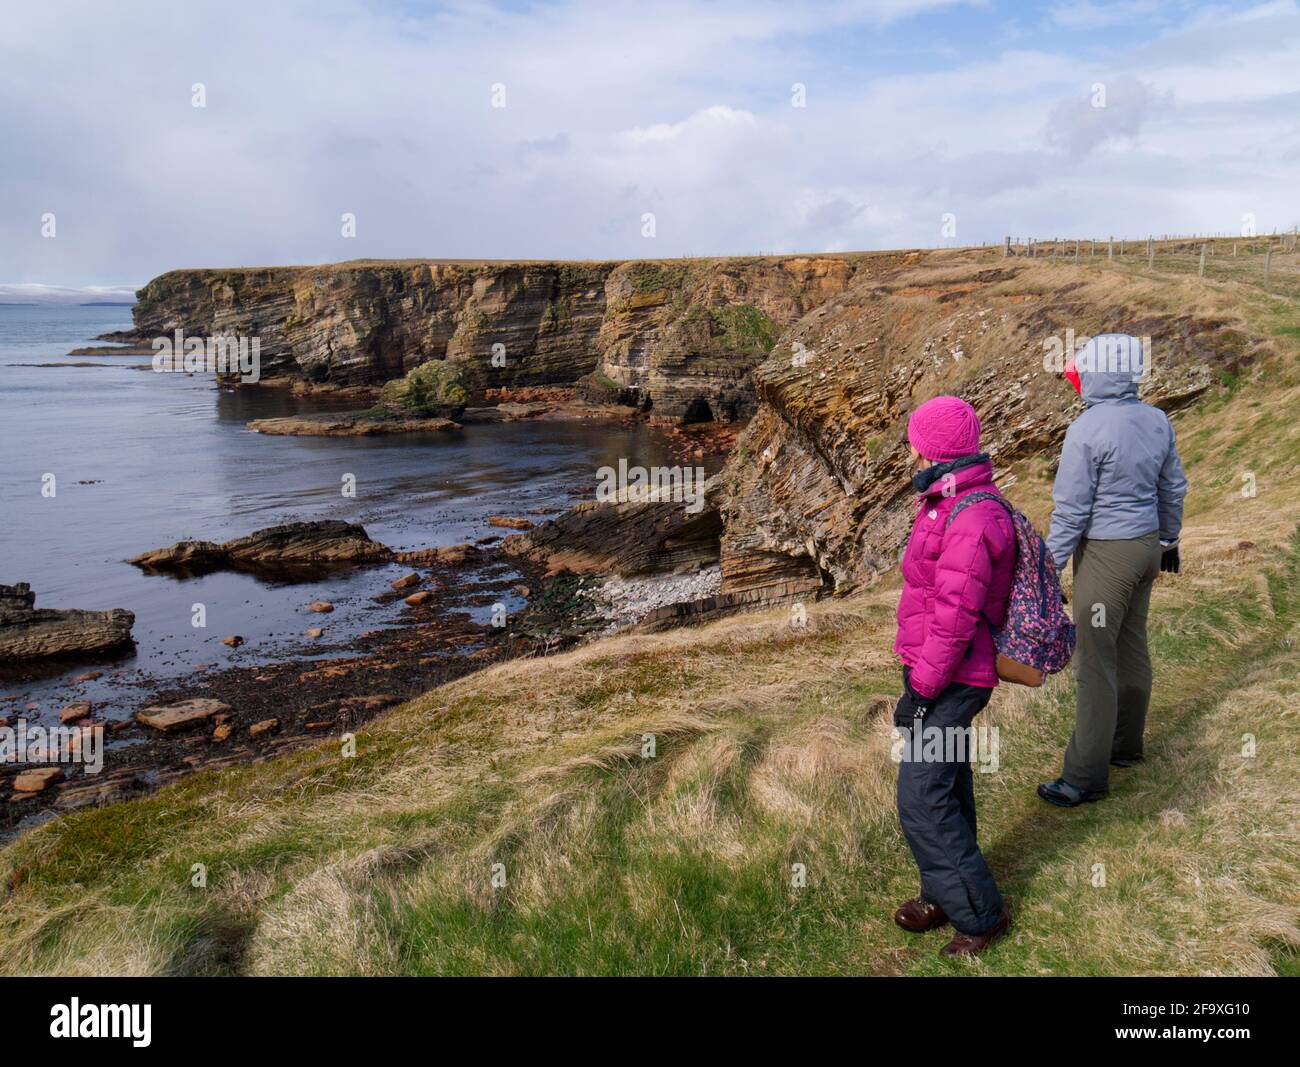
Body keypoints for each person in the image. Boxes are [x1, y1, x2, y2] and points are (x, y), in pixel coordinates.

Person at [1039, 334, 1187, 808]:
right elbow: (1173, 486)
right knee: (1131, 646)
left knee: (1094, 663)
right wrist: (1169, 539)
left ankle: (1083, 777)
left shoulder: (1087, 429)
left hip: (1107, 555)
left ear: (1098, 374)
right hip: (1145, 549)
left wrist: (1047, 569)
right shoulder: (1157, 420)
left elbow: (1070, 512)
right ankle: (1125, 747)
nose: (1076, 380)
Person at [893, 395, 1016, 957]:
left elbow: (955, 616)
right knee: (945, 784)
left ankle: (981, 915)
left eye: (915, 436)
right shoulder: (946, 497)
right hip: (934, 670)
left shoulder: (973, 513)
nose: (909, 444)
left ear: (934, 447)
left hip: (951, 677)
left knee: (923, 796)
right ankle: (942, 893)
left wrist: (921, 690)